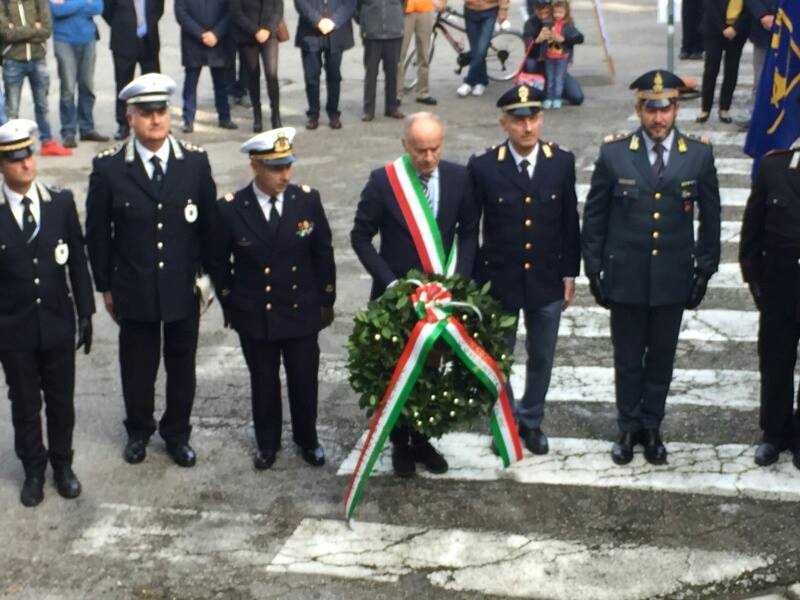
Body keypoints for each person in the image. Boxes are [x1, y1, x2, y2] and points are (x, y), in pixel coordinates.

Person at [582, 70, 721, 466]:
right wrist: (593, 269)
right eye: (650, 110)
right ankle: (627, 427)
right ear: (638, 109)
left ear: (676, 108)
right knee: (627, 357)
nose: (658, 119)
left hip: (673, 277)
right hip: (624, 275)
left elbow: (711, 218)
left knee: (661, 356)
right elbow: (595, 215)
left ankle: (652, 425)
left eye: (666, 109)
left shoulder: (697, 154)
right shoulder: (614, 154)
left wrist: (704, 271)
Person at [85, 73, 218, 468]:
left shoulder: (193, 162)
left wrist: (209, 281)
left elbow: (209, 226)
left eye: (161, 111)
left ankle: (177, 433)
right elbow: (97, 233)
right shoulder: (109, 169)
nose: (156, 120)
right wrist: (106, 287)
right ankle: (139, 430)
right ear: (130, 118)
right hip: (134, 285)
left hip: (182, 286)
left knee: (182, 364)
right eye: (146, 113)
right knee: (137, 366)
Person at [351, 111, 479, 477]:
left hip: (441, 295)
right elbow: (361, 236)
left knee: (433, 369)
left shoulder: (459, 177)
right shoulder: (384, 181)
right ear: (404, 146)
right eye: (420, 150)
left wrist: (459, 280)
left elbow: (469, 232)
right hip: (397, 298)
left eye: (435, 149)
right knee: (399, 371)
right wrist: (390, 284)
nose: (428, 157)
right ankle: (400, 442)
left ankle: (424, 437)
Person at [209, 127, 336, 470]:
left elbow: (322, 253)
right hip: (256, 312)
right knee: (263, 382)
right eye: (276, 167)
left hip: (301, 310)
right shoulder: (231, 209)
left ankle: (307, 439)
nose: (285, 175)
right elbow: (218, 263)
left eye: (288, 165)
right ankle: (268, 443)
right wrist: (230, 303)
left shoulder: (307, 200)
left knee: (303, 379)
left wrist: (327, 300)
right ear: (255, 166)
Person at [468, 84, 579, 455]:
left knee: (542, 355)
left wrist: (569, 274)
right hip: (499, 280)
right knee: (499, 357)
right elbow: (471, 229)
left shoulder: (561, 162)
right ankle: (505, 421)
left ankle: (531, 420)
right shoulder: (484, 167)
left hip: (546, 278)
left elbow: (569, 222)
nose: (527, 127)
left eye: (533, 118)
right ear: (504, 124)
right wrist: (470, 284)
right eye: (518, 120)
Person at [0, 119, 94, 506]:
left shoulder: (60, 203)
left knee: (60, 401)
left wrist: (85, 312)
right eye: (15, 159)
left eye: (28, 155)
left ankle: (62, 466)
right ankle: (34, 470)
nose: (26, 165)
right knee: (24, 403)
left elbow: (76, 262)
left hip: (56, 321)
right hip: (14, 328)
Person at [739, 130, 800, 471]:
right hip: (779, 290)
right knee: (775, 362)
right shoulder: (774, 168)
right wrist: (757, 284)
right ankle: (773, 434)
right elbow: (752, 234)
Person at [0, 0, 73, 156]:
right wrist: (34, 29)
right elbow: (6, 34)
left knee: (42, 105)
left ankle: (47, 142)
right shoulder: (4, 3)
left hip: (38, 58)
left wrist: (19, 31)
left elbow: (46, 30)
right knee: (12, 109)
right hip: (13, 60)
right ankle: (12, 145)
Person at [49, 0, 110, 148]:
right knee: (68, 89)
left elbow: (98, 7)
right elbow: (57, 11)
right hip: (64, 40)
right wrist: (83, 2)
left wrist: (70, 6)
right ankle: (68, 132)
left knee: (87, 86)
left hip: (88, 40)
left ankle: (87, 128)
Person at [103, 0, 164, 140]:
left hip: (148, 40)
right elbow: (107, 10)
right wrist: (123, 24)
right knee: (123, 85)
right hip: (123, 39)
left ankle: (155, 120)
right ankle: (123, 125)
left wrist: (148, 23)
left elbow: (158, 8)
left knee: (152, 84)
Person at [175, 0, 238, 133]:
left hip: (218, 41)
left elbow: (231, 11)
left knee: (221, 82)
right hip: (193, 41)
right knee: (190, 84)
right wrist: (200, 34)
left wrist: (216, 33)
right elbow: (181, 12)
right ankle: (188, 119)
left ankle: (224, 117)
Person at [295, 0, 356, 130]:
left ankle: (333, 113)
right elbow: (300, 2)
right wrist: (317, 20)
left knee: (334, 75)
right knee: (311, 76)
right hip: (310, 31)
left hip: (336, 31)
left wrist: (334, 21)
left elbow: (350, 3)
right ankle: (313, 114)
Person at [230, 0, 283, 131]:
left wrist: (268, 29)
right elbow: (235, 12)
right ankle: (257, 116)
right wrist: (255, 31)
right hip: (247, 35)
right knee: (253, 76)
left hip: (269, 35)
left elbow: (278, 8)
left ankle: (275, 115)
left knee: (272, 75)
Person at [696, 0, 749, 124]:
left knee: (731, 69)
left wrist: (736, 28)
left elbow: (750, 6)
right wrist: (724, 28)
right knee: (711, 68)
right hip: (714, 27)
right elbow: (709, 4)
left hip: (738, 30)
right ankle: (705, 108)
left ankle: (724, 108)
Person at [521, 0, 584, 106]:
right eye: (539, 11)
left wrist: (563, 39)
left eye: (546, 12)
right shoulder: (530, 23)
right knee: (529, 63)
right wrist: (537, 41)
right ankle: (539, 89)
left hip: (558, 61)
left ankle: (557, 93)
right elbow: (528, 51)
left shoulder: (561, 21)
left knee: (576, 97)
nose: (543, 15)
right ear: (535, 10)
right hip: (539, 63)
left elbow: (579, 38)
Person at [357, 0, 404, 121]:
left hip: (394, 32)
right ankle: (368, 110)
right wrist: (366, 21)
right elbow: (356, 6)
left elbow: (404, 3)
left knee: (392, 72)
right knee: (371, 73)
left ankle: (392, 107)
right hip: (372, 33)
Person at [457, 0, 509, 97]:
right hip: (470, 10)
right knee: (476, 50)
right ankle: (482, 81)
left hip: (490, 9)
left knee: (481, 49)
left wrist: (503, 9)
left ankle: (469, 81)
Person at [396, 0, 439, 107]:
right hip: (405, 9)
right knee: (399, 54)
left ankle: (423, 92)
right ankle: (397, 94)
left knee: (424, 54)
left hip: (425, 9)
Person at [542, 0, 580, 110]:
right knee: (550, 78)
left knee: (559, 79)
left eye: (560, 12)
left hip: (562, 57)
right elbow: (543, 42)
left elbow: (575, 40)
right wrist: (542, 53)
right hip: (549, 56)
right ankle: (549, 98)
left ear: (565, 13)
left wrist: (570, 59)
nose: (557, 15)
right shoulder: (548, 24)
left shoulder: (568, 25)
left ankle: (557, 98)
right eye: (555, 12)